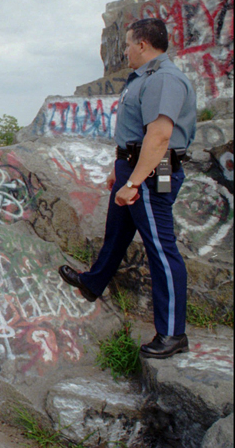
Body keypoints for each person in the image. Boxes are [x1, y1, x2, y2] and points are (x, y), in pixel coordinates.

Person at [59, 18, 197, 359]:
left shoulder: (164, 78)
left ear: (143, 45)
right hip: (133, 167)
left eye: (128, 44)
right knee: (117, 231)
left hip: (150, 174)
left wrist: (134, 181)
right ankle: (93, 282)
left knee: (162, 251)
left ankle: (172, 334)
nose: (124, 50)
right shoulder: (146, 78)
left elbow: (160, 135)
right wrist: (118, 171)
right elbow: (134, 133)